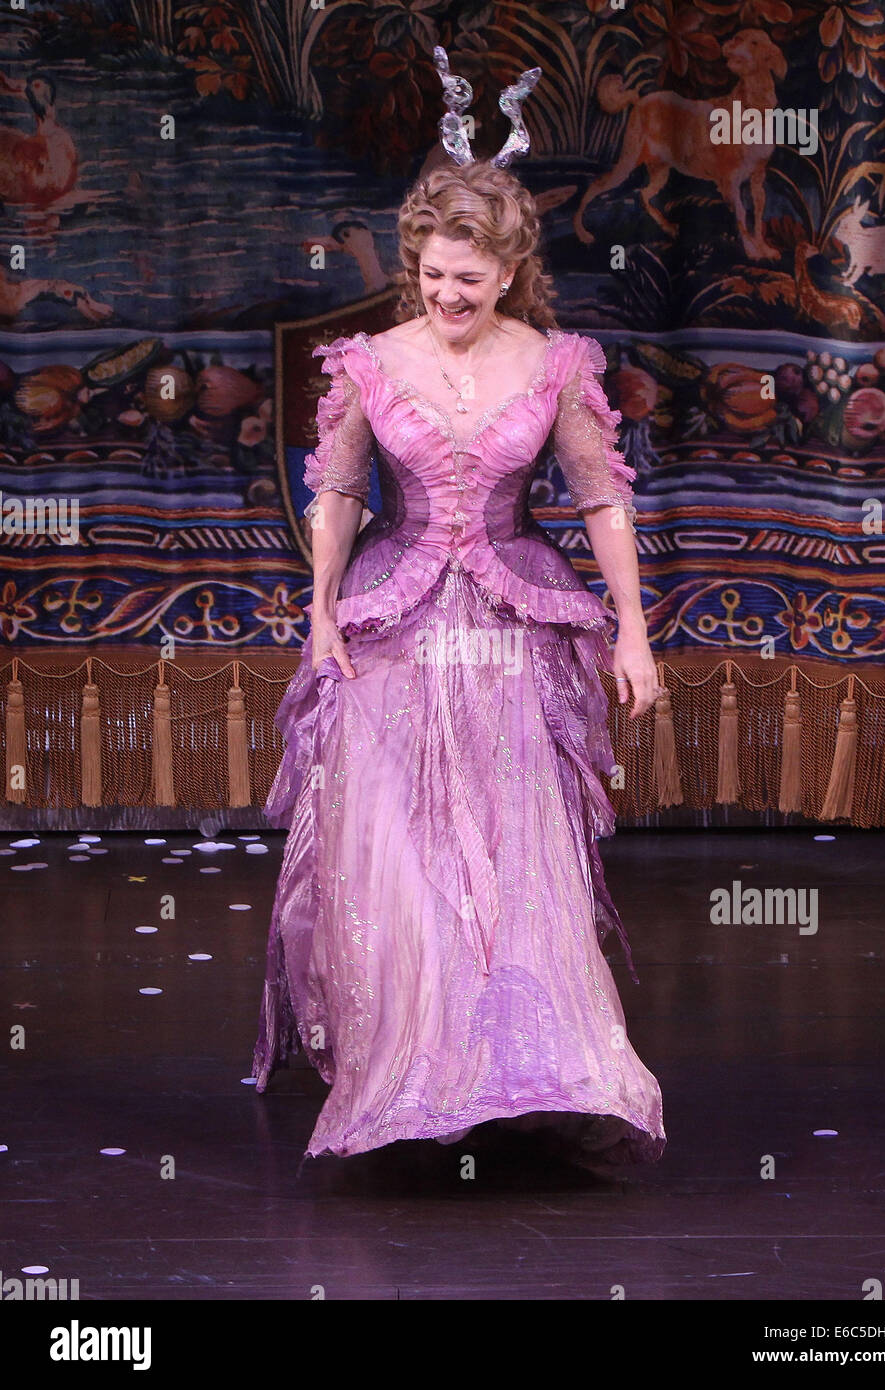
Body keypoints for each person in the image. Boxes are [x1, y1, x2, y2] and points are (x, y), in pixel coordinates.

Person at [251, 112, 666, 1177]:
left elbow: (601, 498)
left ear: (511, 270)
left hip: (510, 627)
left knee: (517, 852)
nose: (449, 295)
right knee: (393, 853)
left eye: (470, 280)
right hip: (393, 630)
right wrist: (321, 606)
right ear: (415, 266)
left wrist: (630, 627)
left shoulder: (556, 363)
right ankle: (407, 1066)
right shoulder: (369, 362)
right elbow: (339, 490)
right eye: (435, 275)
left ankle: (525, 1065)